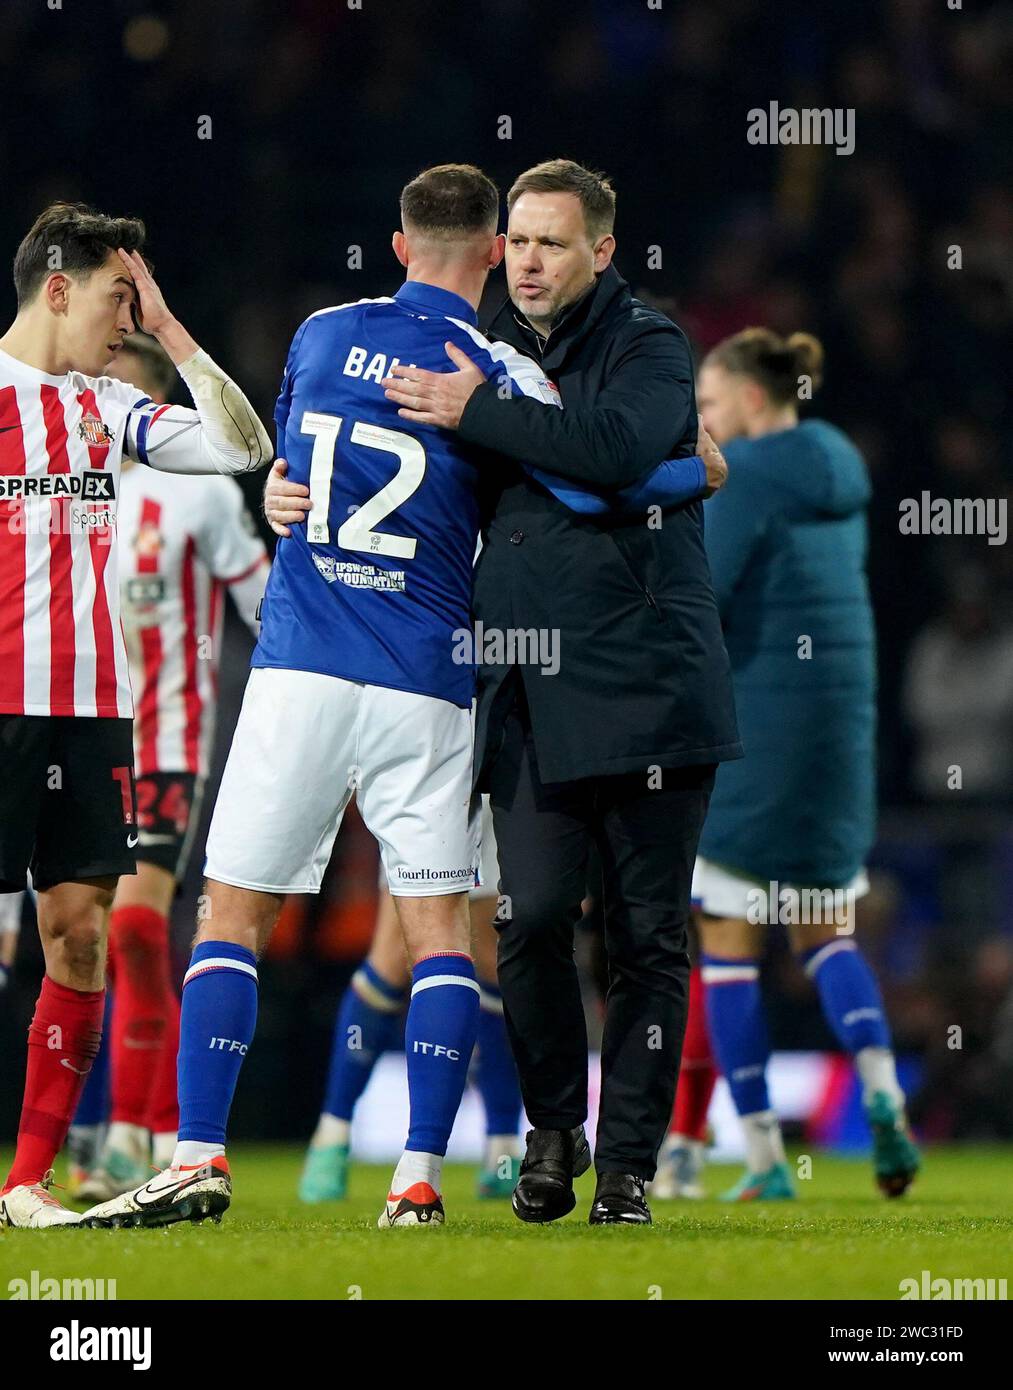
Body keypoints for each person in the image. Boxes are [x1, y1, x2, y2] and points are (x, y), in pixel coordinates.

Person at [88, 162, 722, 1232]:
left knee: (230, 914)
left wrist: (287, 496)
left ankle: (196, 1154)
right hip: (425, 678)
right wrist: (692, 474)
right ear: (487, 252)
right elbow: (580, 478)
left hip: (297, 664)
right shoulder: (499, 368)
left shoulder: (321, 332)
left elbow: (286, 461)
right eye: (513, 245)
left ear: (393, 244)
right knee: (441, 931)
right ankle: (417, 1181)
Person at [377, 159, 740, 1225]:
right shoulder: (479, 354)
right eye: (517, 242)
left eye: (551, 243)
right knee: (529, 918)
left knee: (644, 937)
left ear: (600, 250)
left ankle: (625, 1166)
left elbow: (617, 446)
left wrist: (483, 414)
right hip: (528, 688)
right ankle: (551, 1132)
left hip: (650, 687)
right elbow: (429, 481)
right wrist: (293, 489)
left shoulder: (647, 342)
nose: (527, 262)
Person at [0, 202, 272, 1229]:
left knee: (80, 939)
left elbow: (243, 448)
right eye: (119, 296)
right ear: (58, 288)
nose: (128, 319)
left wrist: (169, 329)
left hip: (91, 719)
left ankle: (25, 1183)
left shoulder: (106, 409)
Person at [691, 327, 920, 1200]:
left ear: (750, 400)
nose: (702, 424)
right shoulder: (842, 472)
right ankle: (882, 1091)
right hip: (840, 742)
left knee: (727, 944)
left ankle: (759, 1160)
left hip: (759, 741)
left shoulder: (742, 478)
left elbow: (699, 600)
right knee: (826, 934)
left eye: (709, 405)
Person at [68, 333, 268, 1202]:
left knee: (138, 928)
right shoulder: (64, 488)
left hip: (169, 741)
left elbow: (263, 602)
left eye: (115, 380)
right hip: (79, 738)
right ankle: (104, 1125)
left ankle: (136, 1130)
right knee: (78, 931)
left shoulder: (197, 494)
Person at [299, 798, 524, 1203]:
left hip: (497, 765)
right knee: (394, 952)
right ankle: (332, 1135)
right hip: (426, 768)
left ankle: (503, 1145)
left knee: (492, 954)